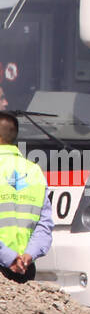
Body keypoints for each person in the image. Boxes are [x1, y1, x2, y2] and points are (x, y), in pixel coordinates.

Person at [0, 112, 54, 283]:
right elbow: (44, 225)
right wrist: (27, 256)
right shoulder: (34, 171)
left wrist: (9, 257)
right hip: (24, 270)